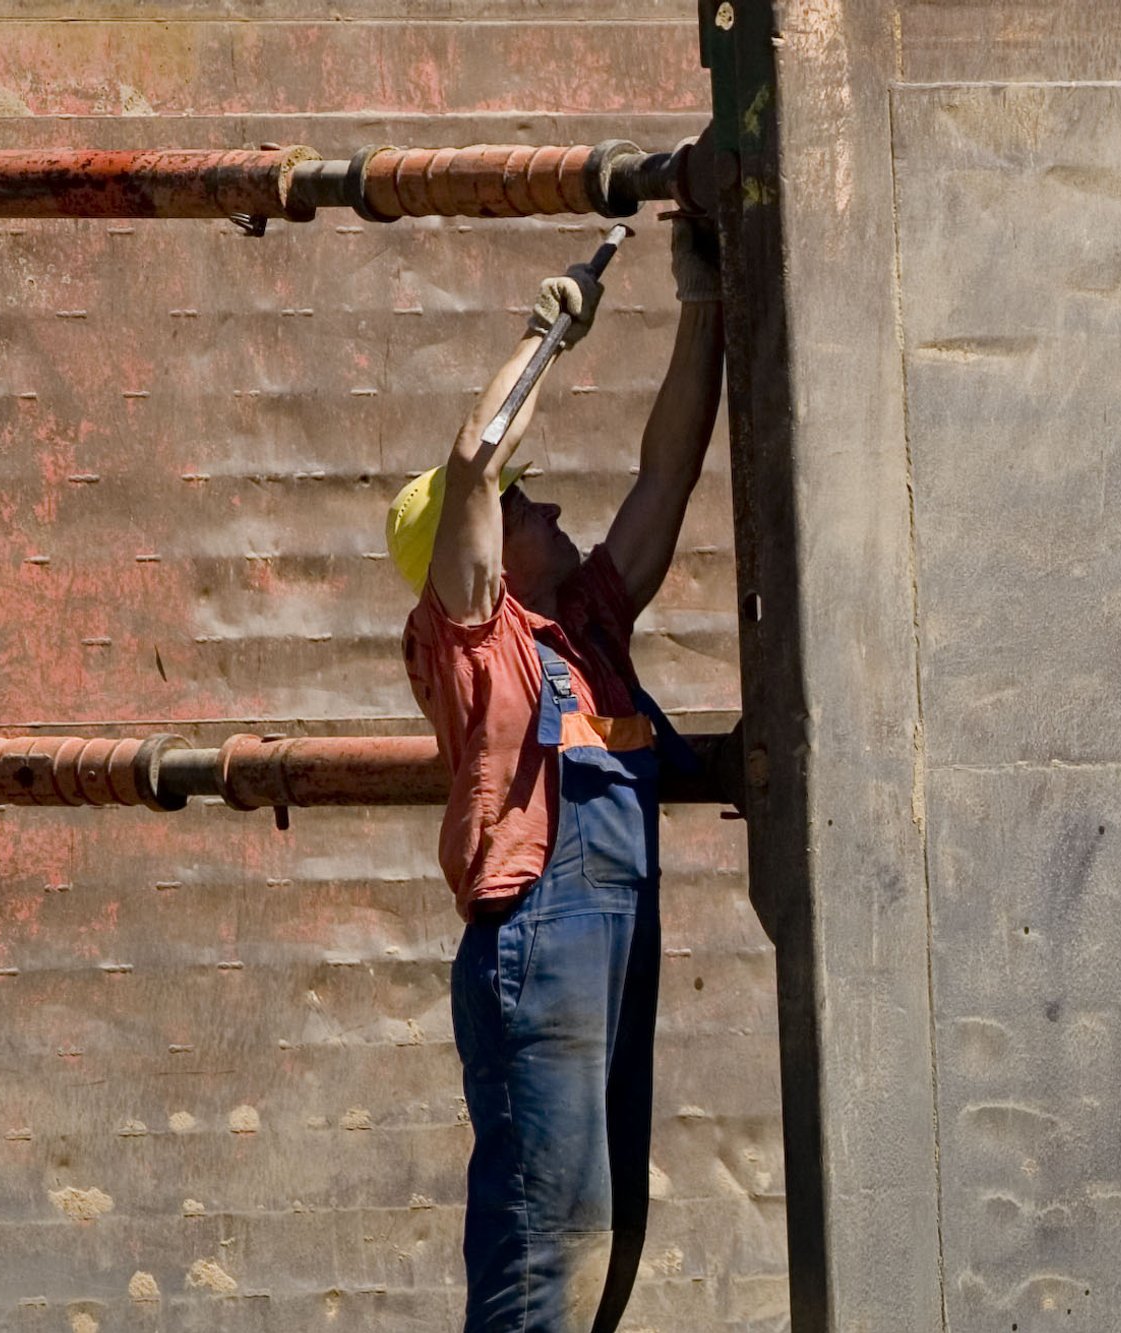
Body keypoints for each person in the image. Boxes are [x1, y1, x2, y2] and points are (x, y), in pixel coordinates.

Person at [385, 215, 724, 1332]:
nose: (554, 510)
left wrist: (701, 300)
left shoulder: (583, 628)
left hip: (600, 957)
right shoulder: (470, 639)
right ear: (474, 552)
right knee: (546, 1246)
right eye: (531, 512)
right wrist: (547, 336)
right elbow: (477, 464)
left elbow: (666, 470)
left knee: (600, 1241)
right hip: (538, 951)